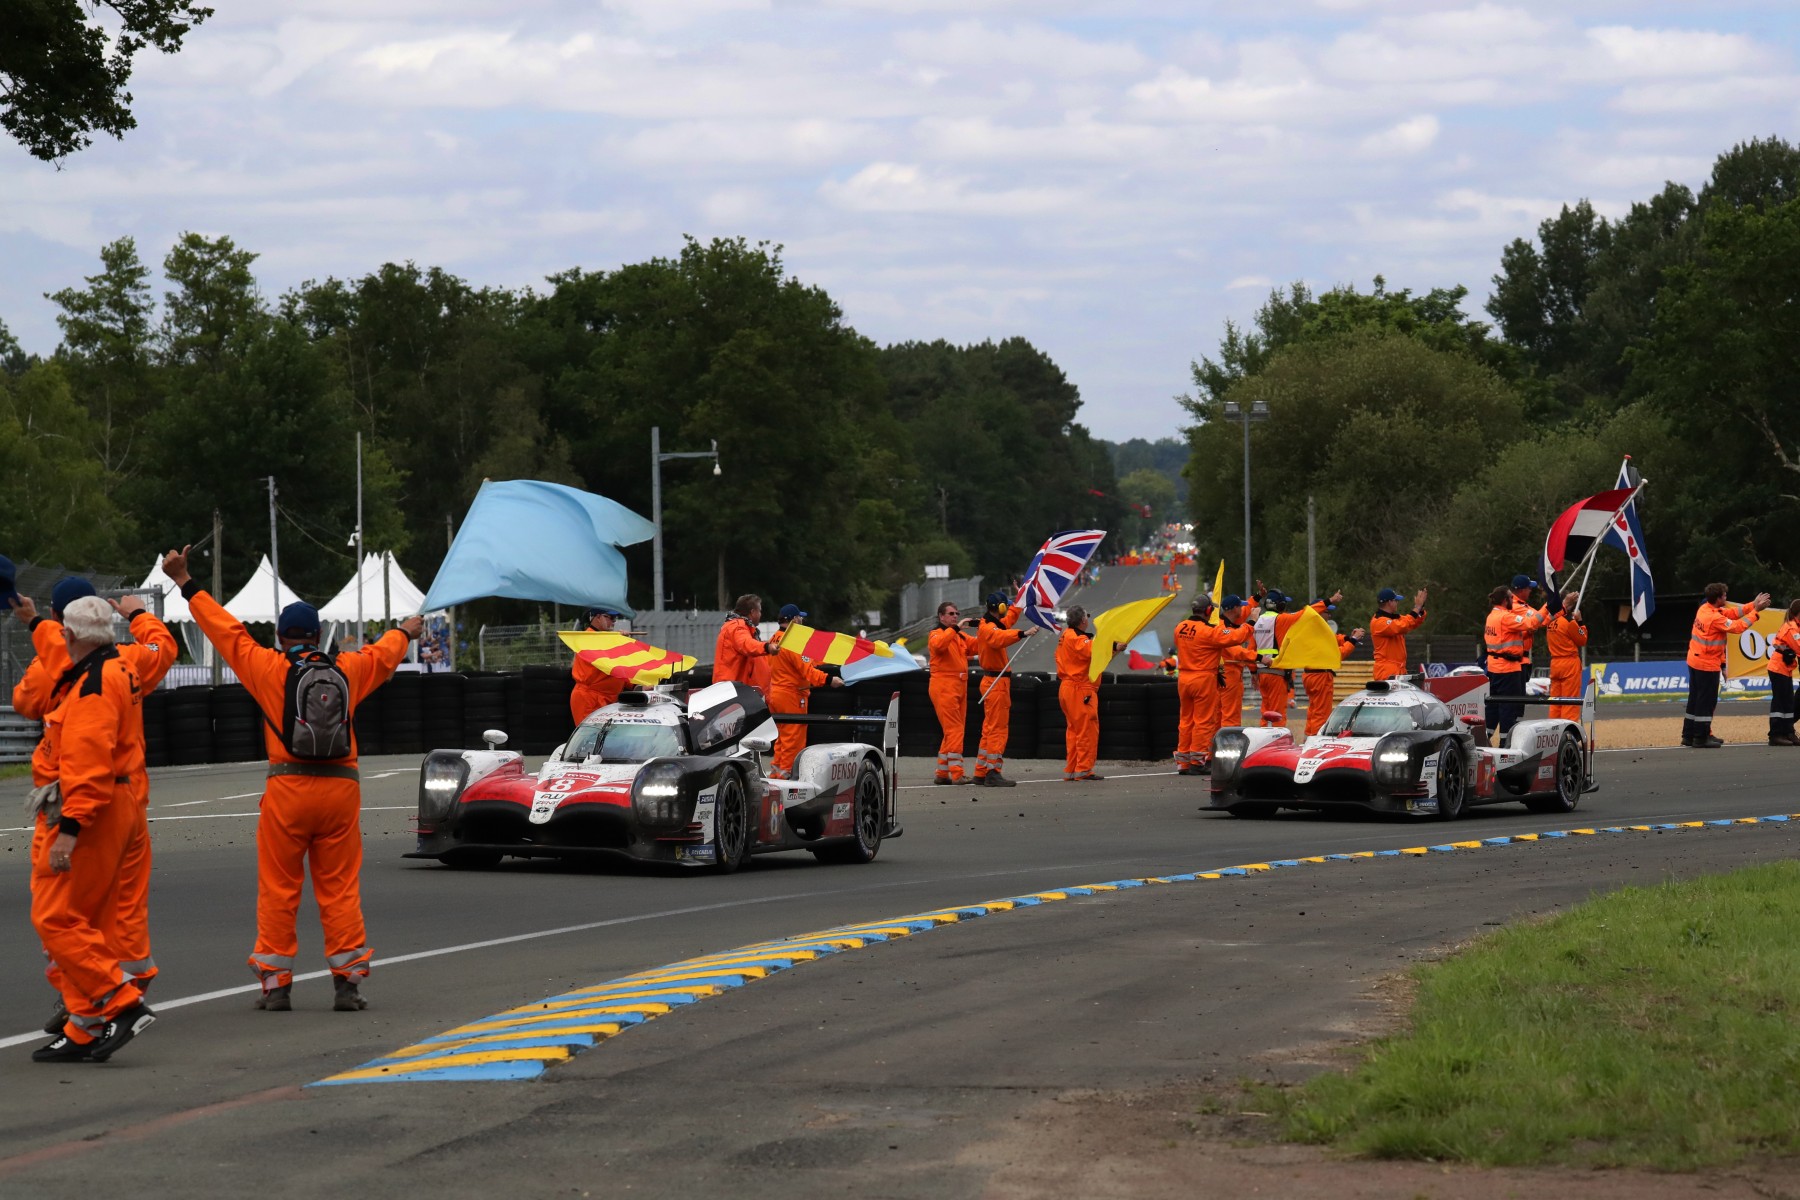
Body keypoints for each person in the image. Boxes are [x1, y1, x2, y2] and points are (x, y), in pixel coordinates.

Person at [164, 545, 418, 1012]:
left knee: (280, 887)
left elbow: (224, 630)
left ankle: (276, 984)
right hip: (342, 788)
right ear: (319, 635)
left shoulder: (266, 666)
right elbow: (384, 655)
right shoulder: (348, 669)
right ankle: (347, 982)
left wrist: (187, 584)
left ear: (280, 637)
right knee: (339, 886)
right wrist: (404, 630)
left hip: (287, 788)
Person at [12, 583, 177, 1036]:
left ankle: (106, 995)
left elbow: (26, 702)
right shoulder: (128, 659)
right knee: (118, 911)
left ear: (67, 628)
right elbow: (163, 646)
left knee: (62, 914)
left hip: (85, 803)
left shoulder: (73, 677)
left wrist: (70, 824)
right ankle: (100, 1006)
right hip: (131, 803)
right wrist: (140, 614)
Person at [1171, 595, 1254, 775]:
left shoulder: (1180, 627)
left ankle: (1183, 762)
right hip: (1203, 679)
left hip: (1184, 679)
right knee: (1203, 721)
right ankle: (1197, 761)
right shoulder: (1209, 632)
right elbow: (1235, 637)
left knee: (1186, 720)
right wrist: (1251, 623)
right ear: (1208, 611)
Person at [1683, 582, 1770, 747]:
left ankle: (1688, 735)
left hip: (1695, 660)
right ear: (1718, 599)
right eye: (1724, 595)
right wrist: (1756, 612)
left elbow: (1732, 613)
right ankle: (1701, 737)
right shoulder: (1714, 618)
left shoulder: (1705, 609)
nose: (1726, 598)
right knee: (1706, 701)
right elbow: (1738, 627)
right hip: (1706, 664)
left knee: (1695, 699)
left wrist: (1753, 604)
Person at [766, 603, 844, 779]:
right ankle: (786, 777)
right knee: (793, 738)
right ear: (794, 619)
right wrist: (829, 680)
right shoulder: (793, 642)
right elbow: (807, 670)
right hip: (791, 695)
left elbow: (799, 663)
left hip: (775, 694)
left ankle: (776, 774)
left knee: (782, 738)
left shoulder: (774, 639)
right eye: (800, 617)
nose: (802, 620)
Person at [972, 591, 1034, 787]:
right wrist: (1023, 634)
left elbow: (1009, 620)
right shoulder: (989, 628)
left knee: (989, 729)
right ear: (998, 607)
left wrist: (1020, 599)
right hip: (995, 682)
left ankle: (981, 771)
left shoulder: (992, 623)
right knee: (998, 729)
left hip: (995, 681)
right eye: (1005, 605)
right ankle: (993, 771)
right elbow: (999, 638)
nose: (1007, 608)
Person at [1252, 588, 1340, 726]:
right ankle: (1277, 744)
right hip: (1276, 672)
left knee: (1266, 712)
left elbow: (1251, 648)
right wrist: (1329, 601)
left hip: (1261, 672)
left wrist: (1253, 672)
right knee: (1278, 714)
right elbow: (1307, 612)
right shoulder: (1281, 619)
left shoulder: (1257, 621)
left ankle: (1262, 741)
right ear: (1279, 605)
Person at [1484, 584, 1546, 744]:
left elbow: (1505, 636)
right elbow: (1532, 622)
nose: (1513, 600)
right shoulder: (1506, 617)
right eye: (1511, 597)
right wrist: (1547, 607)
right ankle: (1506, 745)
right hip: (1508, 670)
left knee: (1492, 707)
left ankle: (1484, 739)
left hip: (1493, 669)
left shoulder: (1492, 616)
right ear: (1505, 600)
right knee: (1509, 709)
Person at [928, 601, 979, 784]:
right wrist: (956, 628)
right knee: (955, 730)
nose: (955, 616)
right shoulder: (936, 634)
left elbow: (978, 645)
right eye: (951, 613)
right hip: (943, 686)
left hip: (959, 685)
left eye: (956, 613)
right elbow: (939, 646)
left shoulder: (960, 636)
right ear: (941, 616)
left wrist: (988, 630)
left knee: (952, 731)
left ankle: (942, 773)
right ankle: (957, 773)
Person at [1056, 605, 1103, 781]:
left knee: (1074, 731)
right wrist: (1115, 646)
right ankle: (1084, 770)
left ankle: (1073, 769)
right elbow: (1095, 650)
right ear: (1083, 620)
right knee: (1087, 730)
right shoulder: (1077, 639)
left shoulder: (1065, 635)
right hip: (1080, 689)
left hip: (1067, 688)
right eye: (1087, 617)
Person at [1301, 624, 1368, 738]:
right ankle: (1317, 740)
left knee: (1313, 710)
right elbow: (1337, 654)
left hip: (1311, 674)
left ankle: (1309, 736)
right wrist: (1353, 640)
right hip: (1320, 675)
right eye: (1327, 612)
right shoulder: (1318, 631)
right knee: (1321, 712)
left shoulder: (1311, 629)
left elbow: (1334, 638)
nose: (1329, 615)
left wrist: (1348, 638)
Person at [569, 604, 629, 725]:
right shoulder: (587, 639)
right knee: (591, 740)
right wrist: (621, 644)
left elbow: (619, 668)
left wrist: (635, 685)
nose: (613, 622)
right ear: (598, 617)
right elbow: (608, 663)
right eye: (610, 618)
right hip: (589, 700)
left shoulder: (605, 639)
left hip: (607, 699)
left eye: (615, 619)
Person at [714, 594, 778, 698]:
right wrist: (767, 647)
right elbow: (746, 644)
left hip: (738, 692)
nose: (761, 614)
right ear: (753, 612)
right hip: (735, 694)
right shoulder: (737, 627)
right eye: (760, 610)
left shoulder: (738, 626)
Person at [1217, 594, 1260, 735]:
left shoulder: (1224, 622)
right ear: (1234, 609)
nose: (1243, 608)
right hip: (1229, 674)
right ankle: (1229, 749)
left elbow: (1246, 609)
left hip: (1222, 673)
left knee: (1218, 715)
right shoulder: (1224, 629)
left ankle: (1213, 752)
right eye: (1239, 606)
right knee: (1231, 716)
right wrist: (1259, 657)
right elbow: (1237, 652)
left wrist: (1257, 597)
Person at [1544, 593, 1588, 723]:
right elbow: (1582, 640)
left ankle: (1553, 730)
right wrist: (1580, 621)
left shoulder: (1550, 621)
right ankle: (1568, 734)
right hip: (1569, 663)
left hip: (1555, 663)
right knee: (1570, 701)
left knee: (1555, 702)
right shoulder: (1569, 622)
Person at [1369, 587, 1427, 680]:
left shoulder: (1394, 618)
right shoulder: (1378, 622)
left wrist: (1421, 608)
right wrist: (1417, 607)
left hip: (1398, 670)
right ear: (1389, 602)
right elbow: (1402, 626)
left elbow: (1413, 622)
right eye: (1396, 600)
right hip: (1386, 672)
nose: (1397, 603)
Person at [1766, 601, 1800, 746]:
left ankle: (1788, 731)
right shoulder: (1792, 628)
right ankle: (1775, 734)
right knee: (1780, 702)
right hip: (1778, 668)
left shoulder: (1795, 626)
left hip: (1784, 668)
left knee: (1788, 702)